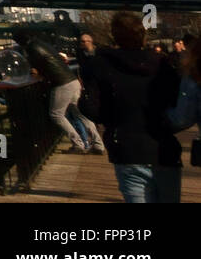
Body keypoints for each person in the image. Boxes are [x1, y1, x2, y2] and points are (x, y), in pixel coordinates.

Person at [81, 11, 182, 203]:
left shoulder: (100, 64)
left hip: (127, 148)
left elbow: (89, 106)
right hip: (163, 148)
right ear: (143, 35)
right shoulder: (163, 64)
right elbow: (179, 103)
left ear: (114, 35)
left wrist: (112, 119)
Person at [15, 31, 104, 155]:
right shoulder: (42, 44)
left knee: (56, 114)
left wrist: (37, 73)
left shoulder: (31, 48)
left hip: (61, 83)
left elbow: (38, 69)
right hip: (72, 81)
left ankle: (78, 144)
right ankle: (98, 145)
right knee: (81, 114)